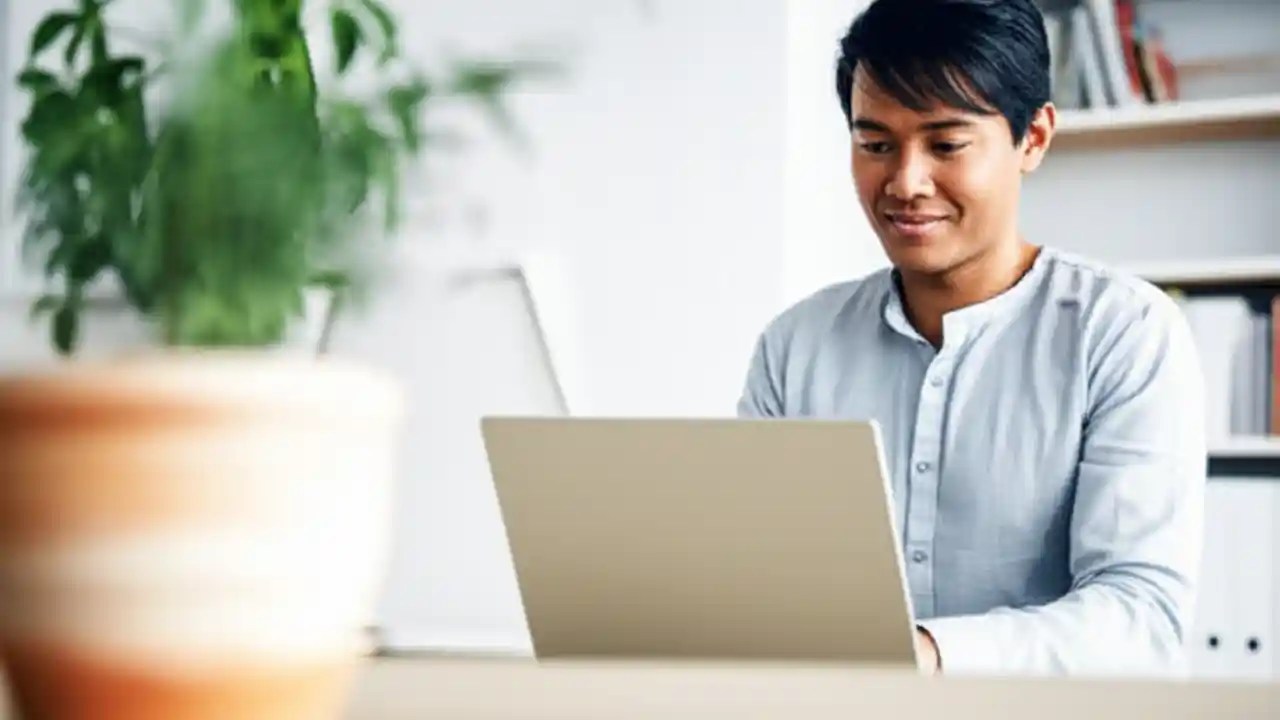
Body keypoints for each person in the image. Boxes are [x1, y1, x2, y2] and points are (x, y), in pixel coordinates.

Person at [737, 0, 1205, 676]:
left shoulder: (1123, 333)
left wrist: (926, 654)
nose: (905, 182)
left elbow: (1140, 618)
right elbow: (756, 585)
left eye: (946, 145)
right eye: (875, 145)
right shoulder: (795, 347)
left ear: (1033, 138)